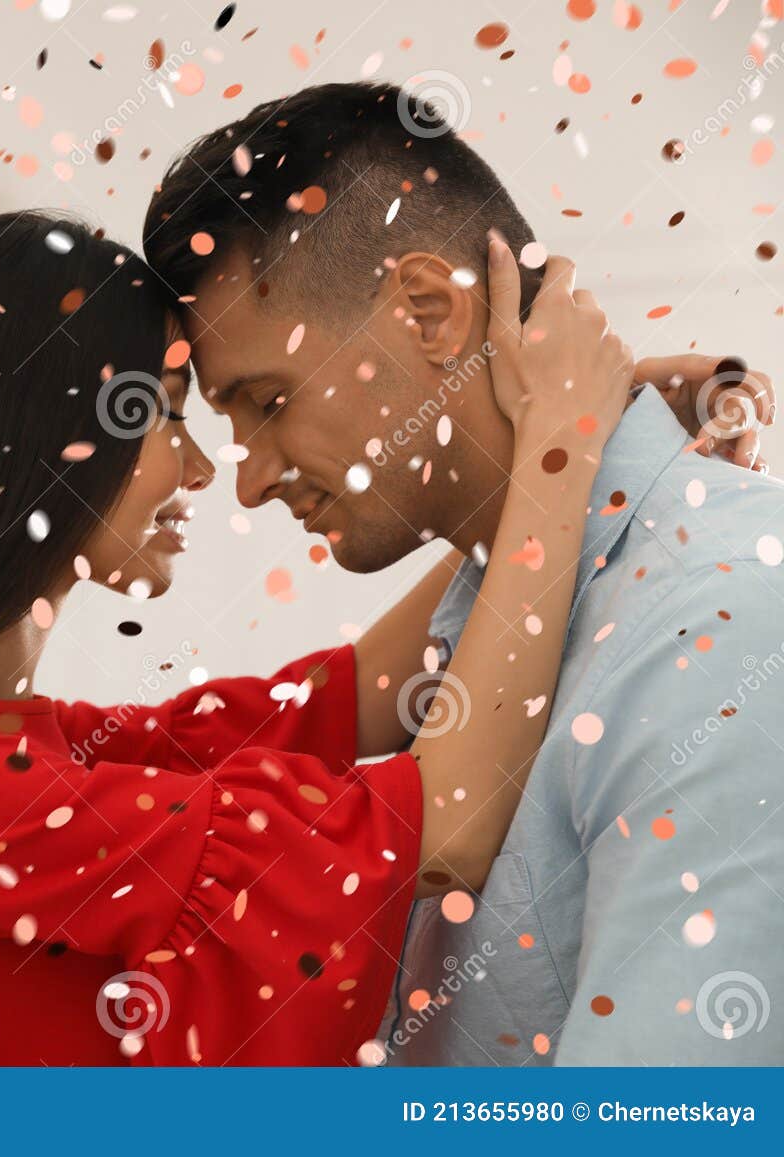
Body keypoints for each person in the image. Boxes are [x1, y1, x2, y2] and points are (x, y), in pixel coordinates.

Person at [0, 209, 637, 1066]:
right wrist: (564, 446)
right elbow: (441, 831)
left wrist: (577, 441)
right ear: (37, 431)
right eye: (164, 414)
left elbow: (349, 700)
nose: (208, 470)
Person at [144, 81, 784, 1064]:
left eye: (267, 402)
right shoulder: (491, 631)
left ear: (428, 312)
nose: (250, 483)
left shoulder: (724, 617)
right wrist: (577, 438)